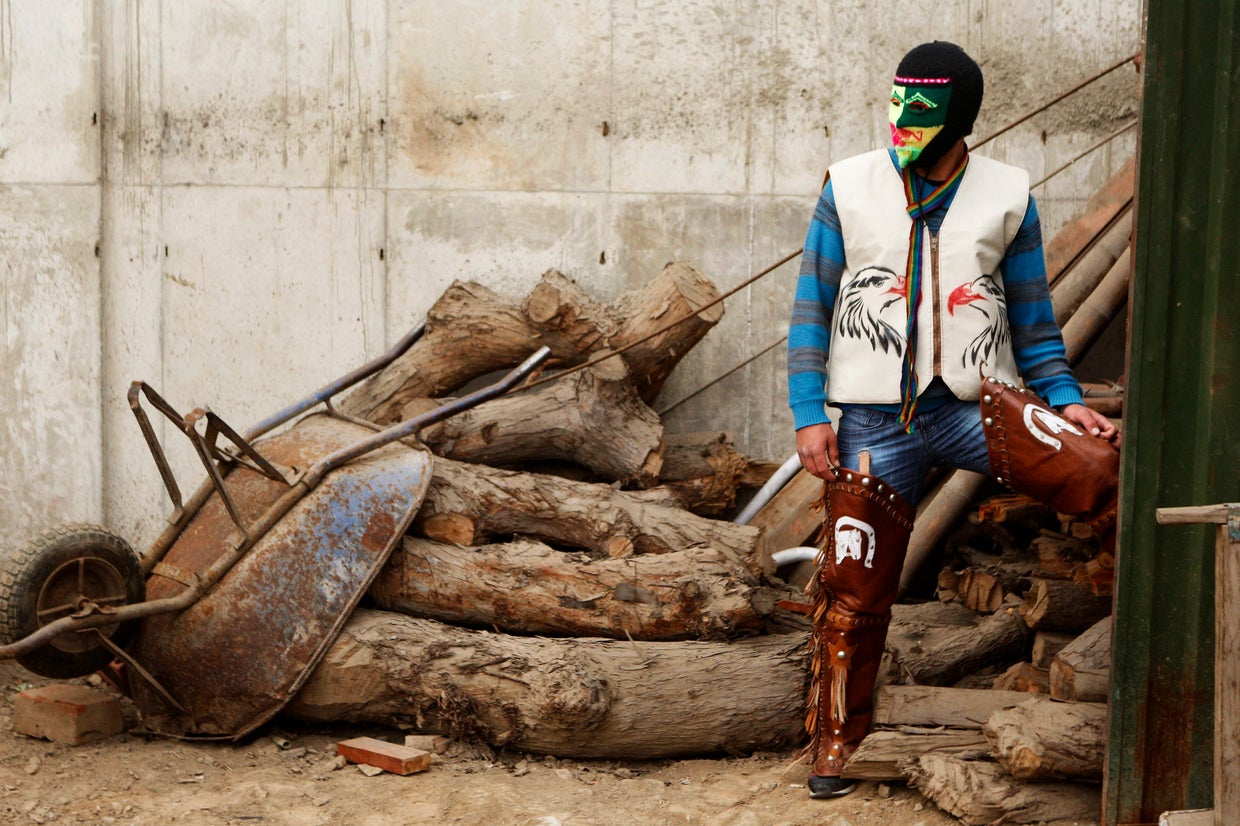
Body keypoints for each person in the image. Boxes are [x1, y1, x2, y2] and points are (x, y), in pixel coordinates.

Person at [786, 41, 1120, 799]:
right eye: (901, 101)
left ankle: (1126, 662)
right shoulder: (848, 186)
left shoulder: (1008, 193)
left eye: (924, 109)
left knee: (1100, 472)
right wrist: (811, 411)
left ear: (959, 118)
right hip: (875, 420)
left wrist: (1067, 404)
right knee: (855, 585)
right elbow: (811, 306)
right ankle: (838, 738)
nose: (906, 119)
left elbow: (1035, 327)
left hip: (979, 409)